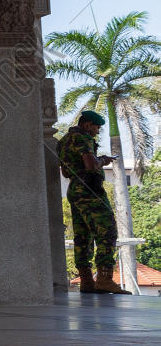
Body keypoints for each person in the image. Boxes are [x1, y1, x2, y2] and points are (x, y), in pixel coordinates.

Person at [58, 108, 128, 294]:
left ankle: (87, 281)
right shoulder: (83, 139)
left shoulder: (64, 141)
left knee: (83, 236)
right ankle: (104, 278)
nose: (97, 131)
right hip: (90, 190)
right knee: (108, 231)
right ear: (87, 125)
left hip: (75, 190)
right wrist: (103, 160)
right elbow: (90, 164)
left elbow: (65, 171)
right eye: (96, 127)